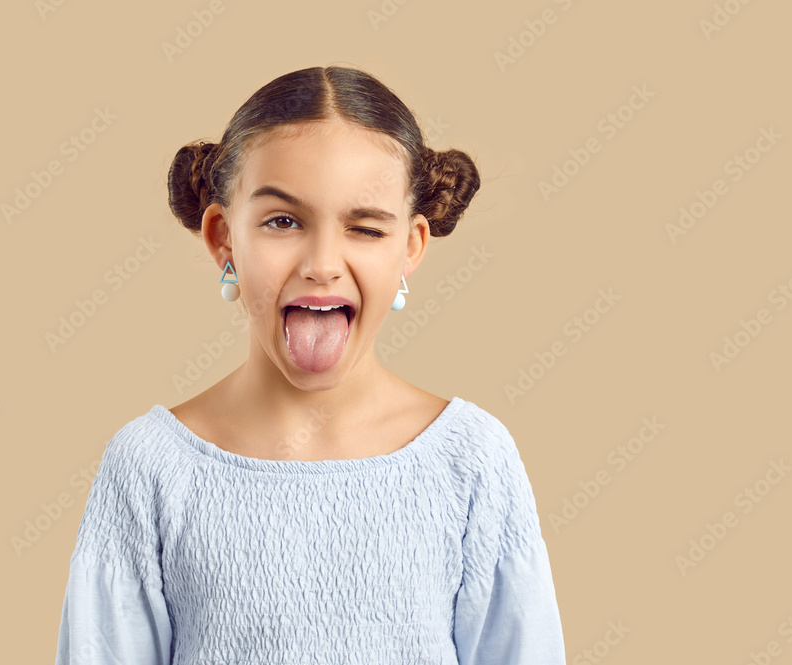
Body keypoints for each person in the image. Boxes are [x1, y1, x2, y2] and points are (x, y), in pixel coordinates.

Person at [54, 64, 565, 664]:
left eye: (365, 228)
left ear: (410, 247)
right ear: (223, 238)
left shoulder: (472, 460)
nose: (322, 263)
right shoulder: (150, 468)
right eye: (283, 222)